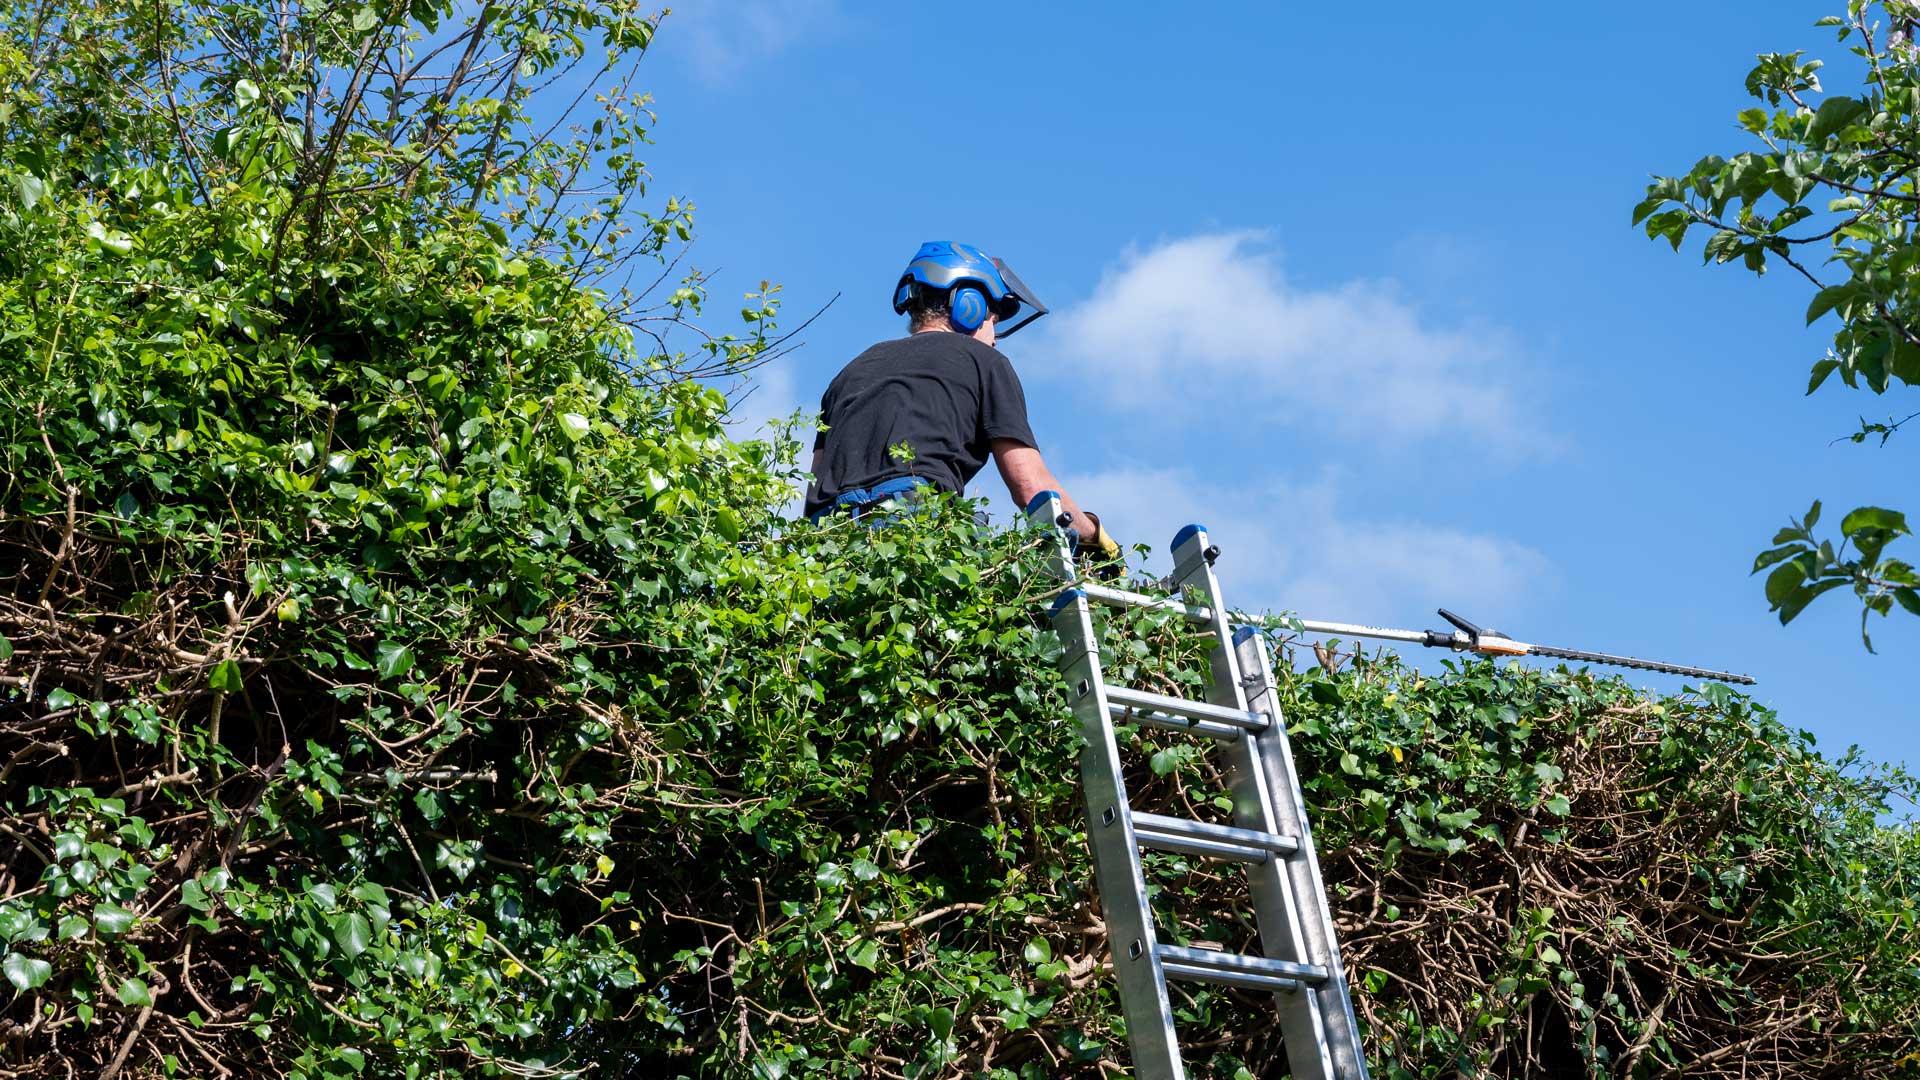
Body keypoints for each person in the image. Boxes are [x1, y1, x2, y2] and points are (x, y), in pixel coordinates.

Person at [803, 241, 1120, 563]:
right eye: (993, 322)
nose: (995, 338)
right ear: (969, 305)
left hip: (827, 542)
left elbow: (815, 482)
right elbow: (1031, 487)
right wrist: (1094, 535)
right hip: (913, 527)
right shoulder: (985, 361)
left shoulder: (852, 371)